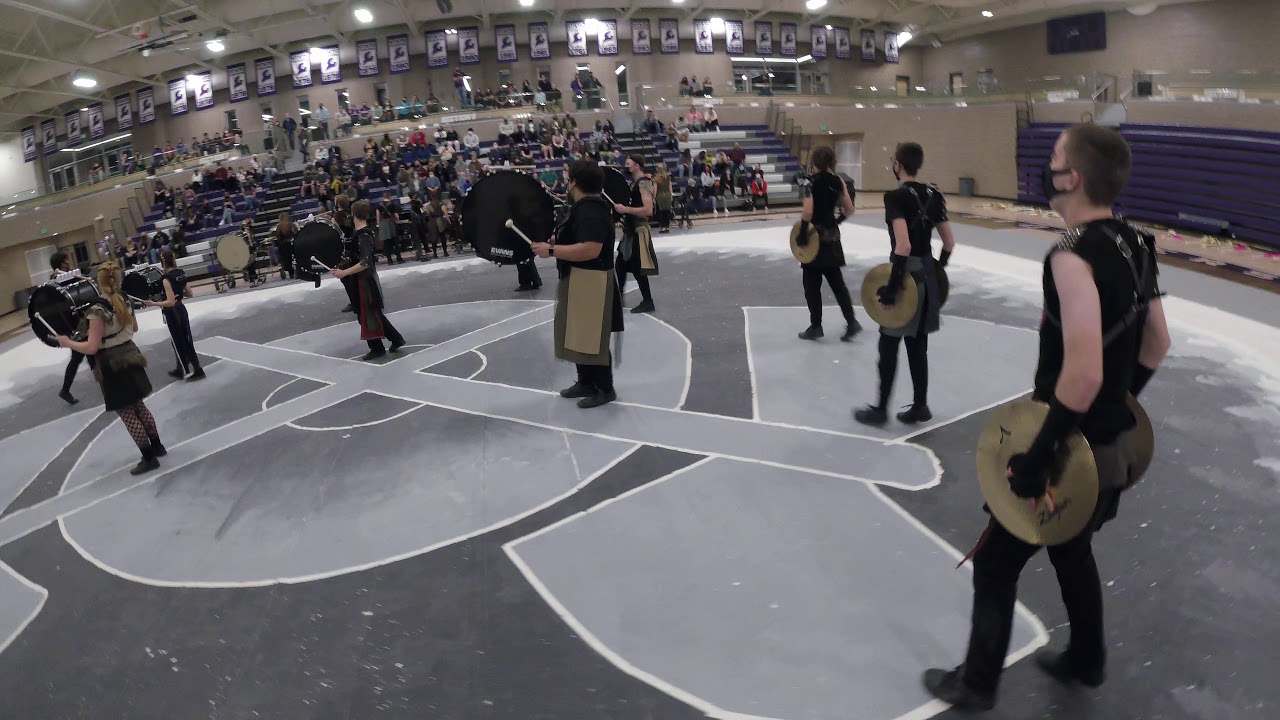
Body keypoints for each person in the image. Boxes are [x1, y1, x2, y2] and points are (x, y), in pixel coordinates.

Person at [923, 124, 1171, 710]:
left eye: (1055, 158)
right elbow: (1157, 342)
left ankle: (978, 683)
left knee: (995, 564)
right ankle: (1088, 659)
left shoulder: (1070, 254)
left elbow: (1082, 373)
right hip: (1107, 452)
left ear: (1073, 179)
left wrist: (1038, 459)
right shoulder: (1136, 245)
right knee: (1071, 548)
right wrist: (1117, 404)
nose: (1047, 167)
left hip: (1066, 452)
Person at [854, 143, 956, 426]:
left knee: (887, 346)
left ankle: (880, 409)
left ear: (898, 164)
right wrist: (937, 272)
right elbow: (949, 243)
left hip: (905, 277)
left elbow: (903, 244)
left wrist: (892, 287)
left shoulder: (896, 197)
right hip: (927, 277)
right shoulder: (934, 195)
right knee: (917, 346)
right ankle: (920, 405)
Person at [55, 262, 166, 476]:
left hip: (111, 364)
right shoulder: (124, 299)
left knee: (127, 413)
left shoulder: (97, 310)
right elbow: (134, 328)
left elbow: (92, 347)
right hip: (132, 355)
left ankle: (148, 458)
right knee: (140, 407)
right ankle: (158, 447)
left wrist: (67, 342)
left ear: (99, 282)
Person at [531, 160, 623, 409]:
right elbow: (579, 239)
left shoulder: (591, 210)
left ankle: (604, 388)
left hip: (592, 280)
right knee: (579, 333)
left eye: (567, 177)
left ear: (575, 182)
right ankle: (586, 381)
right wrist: (553, 241)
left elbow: (590, 249)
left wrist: (550, 250)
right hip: (583, 279)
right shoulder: (585, 208)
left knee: (593, 337)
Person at [796, 146, 860, 341]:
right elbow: (849, 209)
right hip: (832, 238)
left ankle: (816, 326)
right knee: (837, 284)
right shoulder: (838, 180)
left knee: (811, 285)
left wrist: (802, 233)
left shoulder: (810, 182)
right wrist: (836, 222)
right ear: (832, 162)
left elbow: (808, 212)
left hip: (815, 240)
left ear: (815, 162)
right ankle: (852, 322)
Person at [330, 200, 407, 360]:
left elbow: (365, 262)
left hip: (364, 282)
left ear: (354, 214)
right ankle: (393, 340)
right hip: (361, 280)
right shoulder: (360, 233)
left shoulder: (364, 235)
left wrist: (344, 272)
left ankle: (379, 347)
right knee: (370, 313)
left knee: (367, 314)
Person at [144, 251, 205, 381]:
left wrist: (154, 303)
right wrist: (178, 293)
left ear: (163, 262)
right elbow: (189, 293)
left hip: (173, 312)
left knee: (179, 341)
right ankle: (182, 368)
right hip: (181, 309)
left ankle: (195, 369)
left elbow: (170, 301)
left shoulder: (166, 279)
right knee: (183, 339)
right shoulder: (181, 273)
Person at [614, 154, 659, 314]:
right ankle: (619, 300)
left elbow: (648, 210)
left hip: (638, 231)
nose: (626, 166)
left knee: (636, 268)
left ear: (637, 166)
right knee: (621, 265)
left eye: (629, 164)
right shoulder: (638, 183)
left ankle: (647, 301)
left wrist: (625, 210)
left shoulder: (643, 183)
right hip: (632, 230)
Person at [49, 252, 89, 405]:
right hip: (72, 324)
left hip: (76, 321)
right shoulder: (55, 280)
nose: (68, 263)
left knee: (80, 356)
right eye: (65, 261)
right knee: (86, 352)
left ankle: (65, 390)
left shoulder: (67, 276)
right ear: (60, 263)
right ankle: (65, 390)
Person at [273, 211, 297, 280]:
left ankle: (291, 274)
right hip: (292, 244)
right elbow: (296, 232)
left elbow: (278, 237)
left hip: (284, 246)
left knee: (287, 259)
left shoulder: (279, 227)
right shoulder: (291, 224)